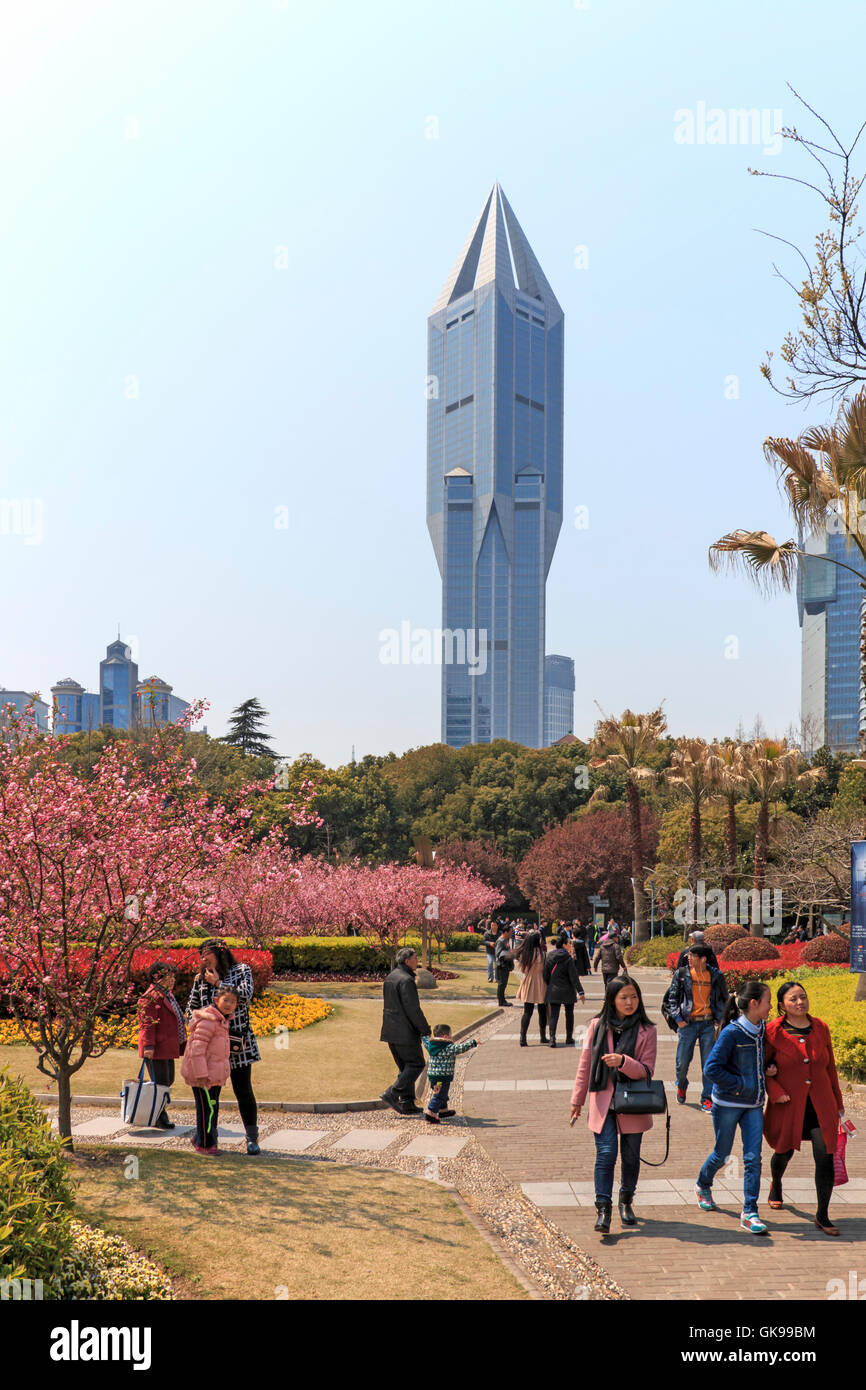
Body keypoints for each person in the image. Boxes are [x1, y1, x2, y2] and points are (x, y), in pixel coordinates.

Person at [570, 977, 658, 1233]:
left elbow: (647, 1070)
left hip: (633, 1102)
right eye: (623, 997)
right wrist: (577, 1100)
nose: (630, 1002)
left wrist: (623, 1061)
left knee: (630, 1158)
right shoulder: (597, 1026)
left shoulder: (647, 1030)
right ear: (612, 999)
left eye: (634, 997)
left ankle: (626, 1201)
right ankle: (603, 1209)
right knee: (607, 1154)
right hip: (603, 1100)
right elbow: (585, 1065)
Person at [764, 981, 846, 1237]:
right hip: (788, 1104)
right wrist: (775, 1091)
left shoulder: (821, 1027)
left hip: (821, 1105)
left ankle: (822, 1214)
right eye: (793, 999)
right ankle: (776, 1184)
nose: (800, 1002)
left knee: (825, 1156)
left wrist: (839, 1104)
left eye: (803, 997)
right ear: (782, 1006)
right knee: (783, 1152)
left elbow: (830, 1068)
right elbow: (762, 1069)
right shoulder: (771, 1032)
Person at [695, 980, 772, 1235]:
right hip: (727, 1103)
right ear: (753, 1004)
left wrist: (767, 1069)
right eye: (768, 1002)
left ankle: (750, 1211)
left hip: (753, 1105)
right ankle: (703, 1183)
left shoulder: (763, 1030)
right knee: (722, 1154)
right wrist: (740, 1084)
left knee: (753, 1159)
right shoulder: (732, 1032)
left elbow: (757, 1060)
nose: (771, 1007)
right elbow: (711, 1069)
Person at [187, 941, 263, 1155]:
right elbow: (190, 1008)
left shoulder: (241, 970)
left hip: (237, 1042)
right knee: (211, 1093)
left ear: (220, 954)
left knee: (243, 1089)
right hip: (211, 1046)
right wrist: (196, 1023)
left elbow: (246, 995)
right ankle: (209, 1138)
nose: (203, 959)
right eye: (201, 955)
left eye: (207, 954)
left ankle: (251, 1137)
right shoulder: (199, 979)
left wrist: (219, 983)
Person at [666, 942, 727, 1110]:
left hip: (707, 1024)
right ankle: (681, 1083)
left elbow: (723, 998)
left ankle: (706, 1098)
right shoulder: (682, 974)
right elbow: (672, 998)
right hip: (687, 1024)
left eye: (692, 956)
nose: (688, 958)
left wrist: (720, 1018)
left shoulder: (715, 975)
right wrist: (678, 1018)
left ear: (703, 959)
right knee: (682, 1063)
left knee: (708, 1063)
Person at [181, 984, 237, 1155]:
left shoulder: (222, 1020)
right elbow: (197, 1049)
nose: (229, 1004)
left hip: (213, 1075)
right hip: (203, 1076)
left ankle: (201, 1138)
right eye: (225, 1000)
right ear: (216, 1000)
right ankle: (204, 1144)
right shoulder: (209, 1020)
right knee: (206, 1109)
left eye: (233, 1001)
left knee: (212, 1107)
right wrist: (201, 1074)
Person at [380, 947, 430, 1115]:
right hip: (404, 1031)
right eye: (415, 958)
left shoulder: (391, 977)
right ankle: (392, 1093)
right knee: (416, 1063)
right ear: (407, 960)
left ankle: (407, 1102)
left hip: (390, 1030)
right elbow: (413, 1009)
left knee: (405, 1067)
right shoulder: (407, 980)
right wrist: (424, 1029)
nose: (417, 961)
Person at [137, 960, 186, 1130]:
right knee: (161, 1083)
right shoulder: (150, 997)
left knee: (167, 1080)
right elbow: (146, 1024)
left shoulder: (165, 994)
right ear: (158, 978)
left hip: (166, 1047)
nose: (172, 980)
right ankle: (158, 1116)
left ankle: (158, 1114)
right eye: (168, 977)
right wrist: (148, 1046)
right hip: (157, 1048)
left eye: (173, 977)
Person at [422, 1023, 479, 1123]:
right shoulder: (448, 1048)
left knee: (441, 1093)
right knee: (440, 1094)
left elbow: (425, 1040)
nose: (452, 1037)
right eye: (450, 1035)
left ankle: (443, 1110)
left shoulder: (431, 1045)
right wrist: (473, 1042)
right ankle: (431, 1112)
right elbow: (461, 1048)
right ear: (445, 1037)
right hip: (442, 1078)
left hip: (433, 1077)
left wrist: (424, 1034)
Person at [544, 930, 585, 1047]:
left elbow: (545, 975)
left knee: (554, 1015)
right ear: (563, 945)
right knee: (569, 1013)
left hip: (553, 989)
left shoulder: (549, 956)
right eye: (567, 943)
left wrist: (550, 983)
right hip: (567, 989)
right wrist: (580, 991)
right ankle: (568, 1037)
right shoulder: (567, 958)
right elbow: (573, 977)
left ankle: (552, 1038)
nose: (569, 945)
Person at [515, 930, 549, 1046]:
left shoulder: (525, 953)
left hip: (528, 982)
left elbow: (521, 970)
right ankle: (543, 1036)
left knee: (527, 1012)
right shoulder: (542, 954)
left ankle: (522, 1038)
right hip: (541, 983)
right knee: (542, 1011)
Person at [494, 924, 516, 1007]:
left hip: (506, 966)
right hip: (501, 966)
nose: (511, 934)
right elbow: (498, 954)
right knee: (501, 984)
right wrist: (508, 955)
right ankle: (501, 1001)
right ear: (505, 932)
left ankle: (503, 1000)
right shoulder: (500, 941)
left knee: (504, 984)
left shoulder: (506, 940)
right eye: (510, 932)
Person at [482, 918, 498, 983]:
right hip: (489, 952)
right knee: (490, 963)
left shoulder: (500, 933)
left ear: (497, 926)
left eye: (494, 925)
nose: (493, 926)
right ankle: (490, 978)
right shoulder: (487, 933)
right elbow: (483, 942)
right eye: (492, 925)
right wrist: (490, 943)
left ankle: (497, 978)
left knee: (498, 965)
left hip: (497, 952)